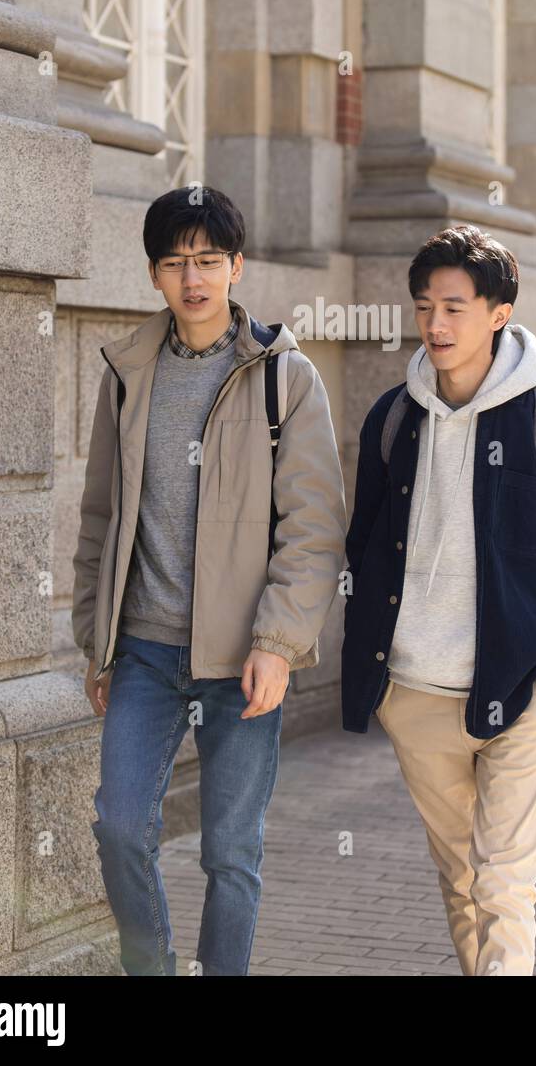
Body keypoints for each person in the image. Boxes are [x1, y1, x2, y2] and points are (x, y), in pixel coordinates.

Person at [341, 223, 536, 976]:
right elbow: (365, 546)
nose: (434, 325)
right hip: (414, 695)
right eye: (422, 308)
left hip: (523, 691)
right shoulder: (393, 419)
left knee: (505, 881)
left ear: (498, 312)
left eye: (453, 307)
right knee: (463, 881)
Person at [72, 183, 346, 975]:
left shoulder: (282, 378)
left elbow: (313, 527)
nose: (192, 279)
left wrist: (277, 643)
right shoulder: (127, 372)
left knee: (231, 853)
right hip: (144, 653)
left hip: (241, 658)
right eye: (174, 263)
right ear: (154, 274)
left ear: (237, 265)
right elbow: (99, 517)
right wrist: (96, 640)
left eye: (207, 260)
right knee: (121, 827)